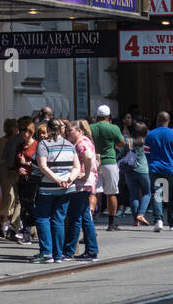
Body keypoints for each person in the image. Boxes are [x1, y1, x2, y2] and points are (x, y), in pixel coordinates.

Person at [31, 118, 80, 263]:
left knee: (42, 218)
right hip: (66, 188)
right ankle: (58, 255)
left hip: (48, 188)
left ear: (49, 129)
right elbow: (76, 166)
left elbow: (42, 166)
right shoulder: (70, 145)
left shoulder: (44, 144)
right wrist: (69, 179)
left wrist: (56, 180)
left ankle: (46, 253)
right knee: (58, 219)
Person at [63, 121, 99, 261]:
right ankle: (91, 251)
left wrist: (85, 173)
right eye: (67, 131)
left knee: (75, 217)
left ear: (79, 131)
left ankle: (69, 251)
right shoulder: (85, 141)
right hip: (87, 182)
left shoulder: (80, 143)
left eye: (70, 130)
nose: (68, 133)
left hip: (82, 184)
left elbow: (89, 157)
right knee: (85, 217)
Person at [146, 112, 173, 232]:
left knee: (158, 195)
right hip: (171, 170)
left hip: (155, 169)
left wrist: (151, 164)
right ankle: (172, 223)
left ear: (157, 120)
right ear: (168, 121)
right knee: (172, 197)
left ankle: (158, 220)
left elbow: (146, 153)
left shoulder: (150, 135)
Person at [90, 105, 125, 232]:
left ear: (97, 116)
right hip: (110, 162)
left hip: (94, 162)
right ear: (108, 116)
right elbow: (122, 143)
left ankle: (90, 221)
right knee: (111, 193)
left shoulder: (90, 127)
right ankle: (111, 223)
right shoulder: (113, 128)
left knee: (93, 192)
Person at [0, 117, 24, 240]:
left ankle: (9, 224)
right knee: (9, 197)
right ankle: (4, 224)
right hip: (5, 171)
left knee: (15, 198)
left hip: (14, 170)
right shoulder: (3, 141)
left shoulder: (18, 140)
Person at [121, 122, 151, 226]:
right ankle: (141, 214)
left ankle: (136, 220)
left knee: (133, 195)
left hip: (129, 170)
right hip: (143, 169)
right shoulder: (147, 141)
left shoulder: (128, 141)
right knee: (147, 193)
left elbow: (121, 154)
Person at [14, 120, 39, 245]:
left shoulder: (37, 145)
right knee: (24, 208)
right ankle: (26, 234)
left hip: (34, 181)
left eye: (25, 130)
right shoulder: (19, 146)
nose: (23, 133)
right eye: (21, 130)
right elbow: (15, 164)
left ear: (31, 131)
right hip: (22, 181)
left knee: (32, 207)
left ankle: (37, 230)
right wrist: (19, 168)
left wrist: (27, 164)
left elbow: (41, 164)